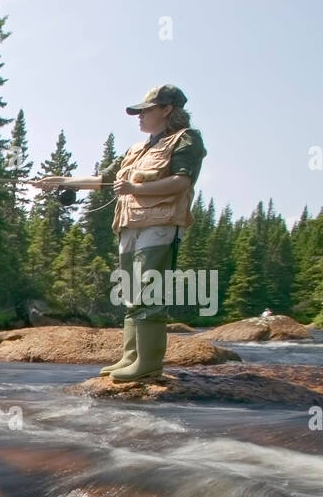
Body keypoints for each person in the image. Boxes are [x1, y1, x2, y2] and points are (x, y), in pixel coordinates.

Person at [33, 84, 206, 381]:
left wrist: (136, 188)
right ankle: (130, 357)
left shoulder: (186, 139)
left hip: (161, 226)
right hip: (128, 226)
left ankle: (149, 364)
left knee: (149, 293)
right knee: (130, 293)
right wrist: (61, 180)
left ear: (167, 110)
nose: (138, 116)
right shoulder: (136, 149)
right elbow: (104, 180)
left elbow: (181, 182)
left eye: (145, 111)